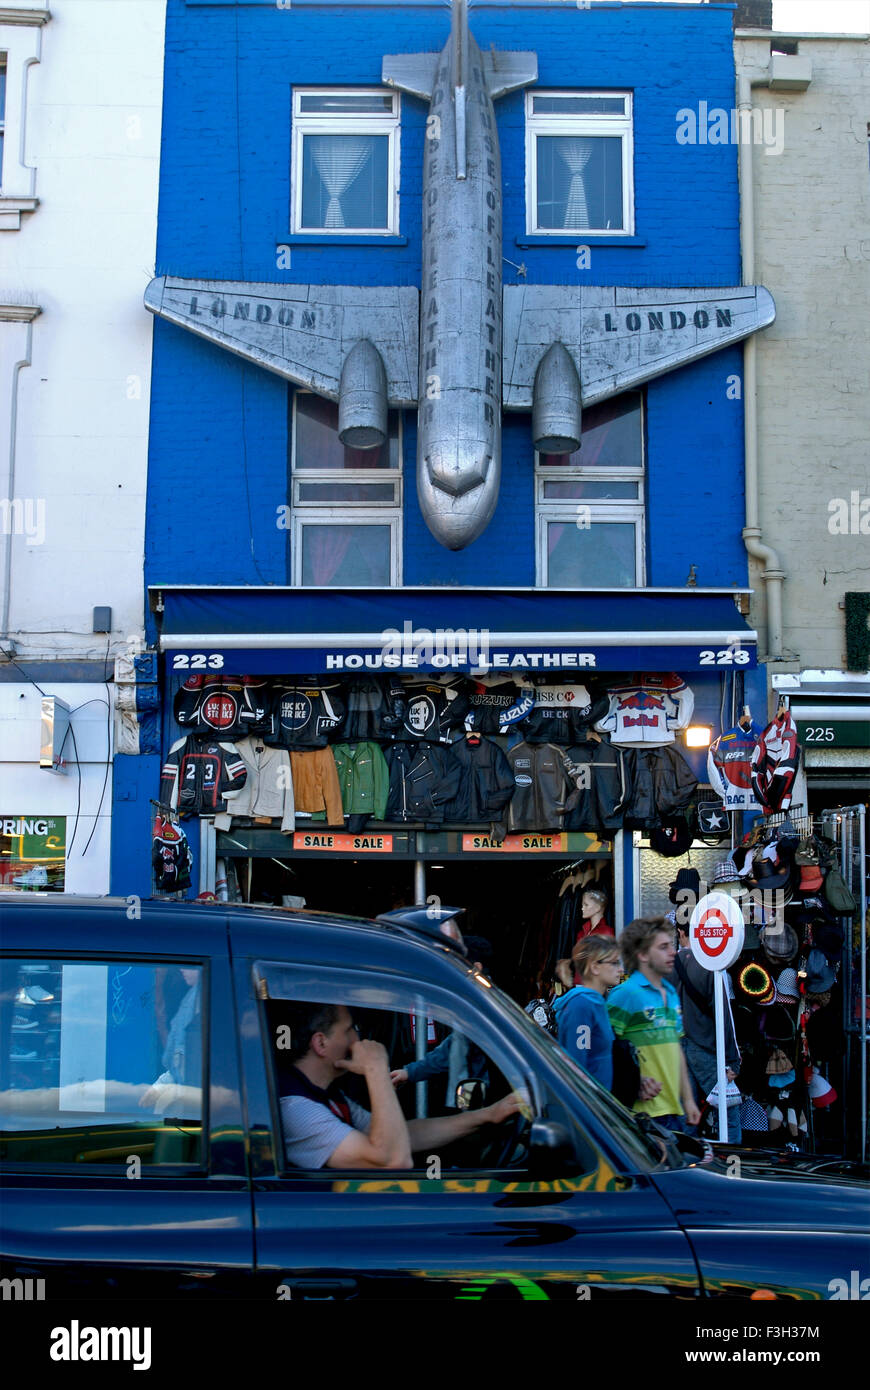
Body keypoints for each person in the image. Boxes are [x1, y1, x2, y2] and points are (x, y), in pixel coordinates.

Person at [280, 1002, 521, 1170]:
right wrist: (376, 1069)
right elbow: (392, 1159)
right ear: (321, 1043)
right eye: (349, 1030)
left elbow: (404, 1136)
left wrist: (489, 1114)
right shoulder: (297, 1109)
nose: (358, 1039)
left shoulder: (329, 1096)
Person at [606, 916, 701, 1132]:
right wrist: (635, 1080)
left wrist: (688, 1100)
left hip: (674, 1113)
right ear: (642, 955)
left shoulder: (670, 993)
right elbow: (607, 1049)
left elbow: (676, 1050)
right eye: (663, 947)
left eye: (672, 945)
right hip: (641, 1117)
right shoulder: (625, 994)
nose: (672, 952)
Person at [390, 935, 493, 1100]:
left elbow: (453, 1048)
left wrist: (410, 1072)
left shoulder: (480, 1004)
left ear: (476, 968)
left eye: (455, 964)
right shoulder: (484, 999)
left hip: (473, 1095)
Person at [672, 919, 742, 1142]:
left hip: (677, 1047)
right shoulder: (711, 965)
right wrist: (733, 1060)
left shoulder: (668, 964)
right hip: (705, 1047)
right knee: (728, 1111)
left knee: (686, 1114)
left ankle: (687, 1167)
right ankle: (733, 1167)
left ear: (680, 932)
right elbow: (724, 1017)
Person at [554, 937, 620, 1089]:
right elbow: (577, 1066)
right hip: (589, 1105)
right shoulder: (582, 1005)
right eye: (614, 963)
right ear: (595, 967)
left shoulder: (597, 1003)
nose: (620, 969)